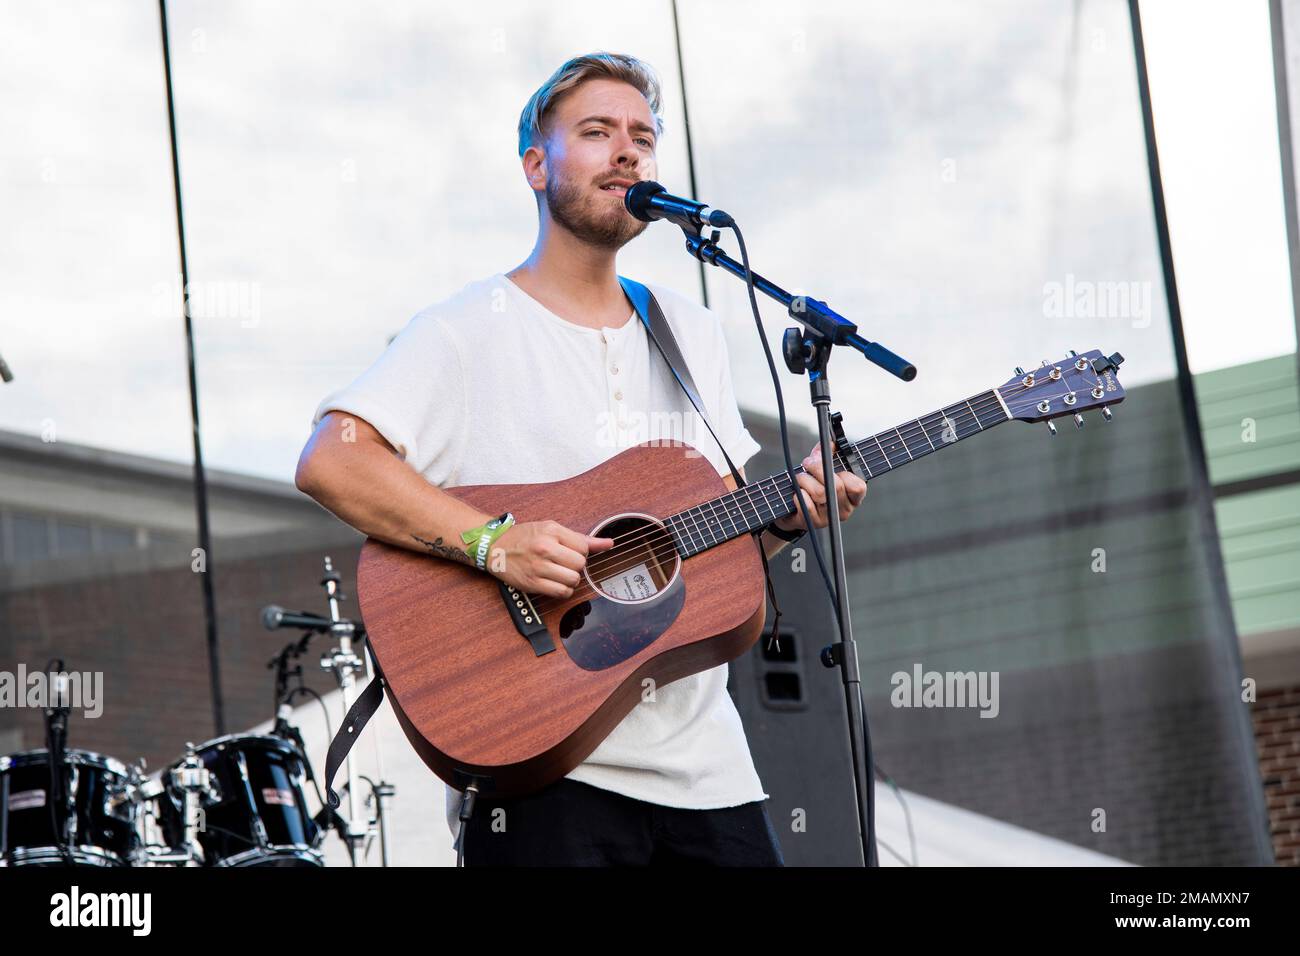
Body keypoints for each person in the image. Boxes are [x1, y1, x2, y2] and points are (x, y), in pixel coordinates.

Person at [294, 52, 867, 866]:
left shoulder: (688, 331)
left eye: (642, 135)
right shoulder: (465, 331)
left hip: (709, 775)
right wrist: (493, 543)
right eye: (596, 132)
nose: (626, 151)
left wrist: (794, 512)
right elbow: (331, 460)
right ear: (535, 165)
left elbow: (725, 545)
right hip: (542, 768)